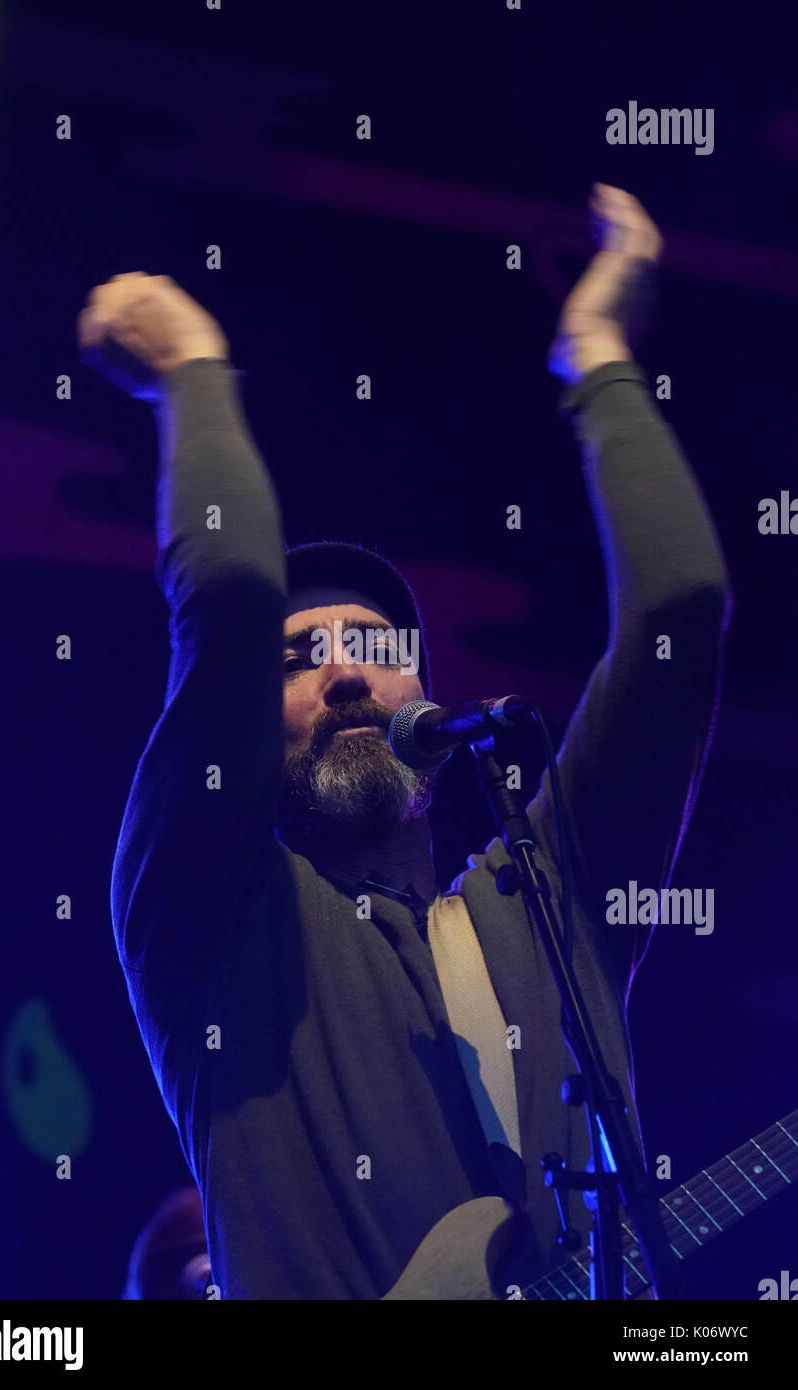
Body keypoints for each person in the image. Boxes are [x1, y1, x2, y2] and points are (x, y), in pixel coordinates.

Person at [80, 184, 731, 1299]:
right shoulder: (209, 914)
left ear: (427, 693)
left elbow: (678, 602)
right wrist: (191, 373)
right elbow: (232, 586)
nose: (340, 671)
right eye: (298, 658)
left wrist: (599, 357)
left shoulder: (547, 899)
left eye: (373, 645)